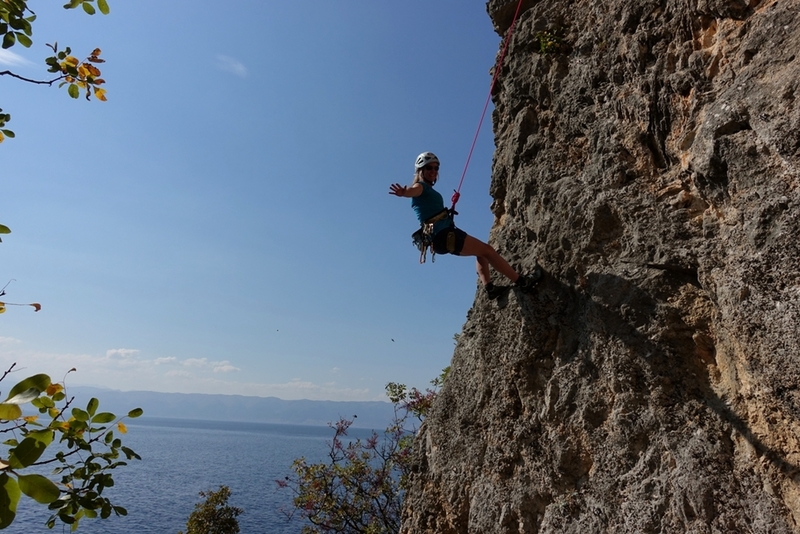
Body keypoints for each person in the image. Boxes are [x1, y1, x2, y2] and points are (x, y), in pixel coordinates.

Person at [389, 151, 541, 300]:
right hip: (444, 235)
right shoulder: (420, 187)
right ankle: (523, 282)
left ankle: (490, 289)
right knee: (488, 251)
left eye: (436, 168)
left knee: (481, 252)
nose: (433, 171)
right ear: (420, 170)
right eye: (429, 168)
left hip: (440, 239)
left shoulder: (428, 191)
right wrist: (404, 192)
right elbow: (413, 191)